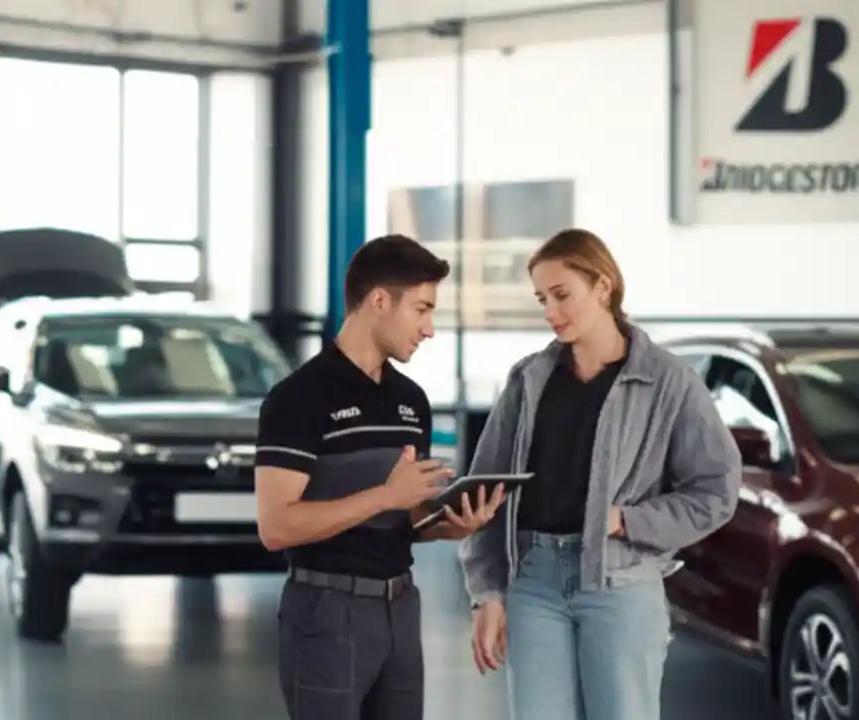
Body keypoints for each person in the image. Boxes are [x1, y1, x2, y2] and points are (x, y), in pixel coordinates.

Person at [458, 229, 742, 720]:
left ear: (603, 287)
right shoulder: (528, 378)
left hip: (622, 585)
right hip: (535, 582)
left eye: (561, 295)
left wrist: (626, 520)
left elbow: (715, 492)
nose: (550, 312)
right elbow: (488, 490)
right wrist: (486, 594)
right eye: (542, 299)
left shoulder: (669, 381)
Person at [255, 234, 507, 720]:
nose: (430, 328)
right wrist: (385, 494)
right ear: (378, 301)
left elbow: (405, 516)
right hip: (325, 611)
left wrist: (449, 526)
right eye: (421, 309)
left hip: (401, 607)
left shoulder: (412, 402)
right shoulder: (297, 398)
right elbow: (276, 527)